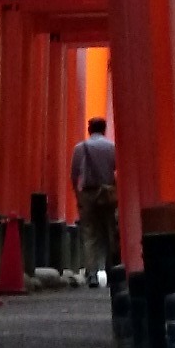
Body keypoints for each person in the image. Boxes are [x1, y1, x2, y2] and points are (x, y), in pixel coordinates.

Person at [70, 114, 120, 282]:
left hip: (88, 193)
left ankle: (92, 273)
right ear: (104, 129)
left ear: (89, 129)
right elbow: (117, 170)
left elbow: (74, 175)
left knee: (90, 234)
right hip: (107, 193)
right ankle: (112, 271)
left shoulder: (80, 148)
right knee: (109, 232)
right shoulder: (112, 147)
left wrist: (78, 195)